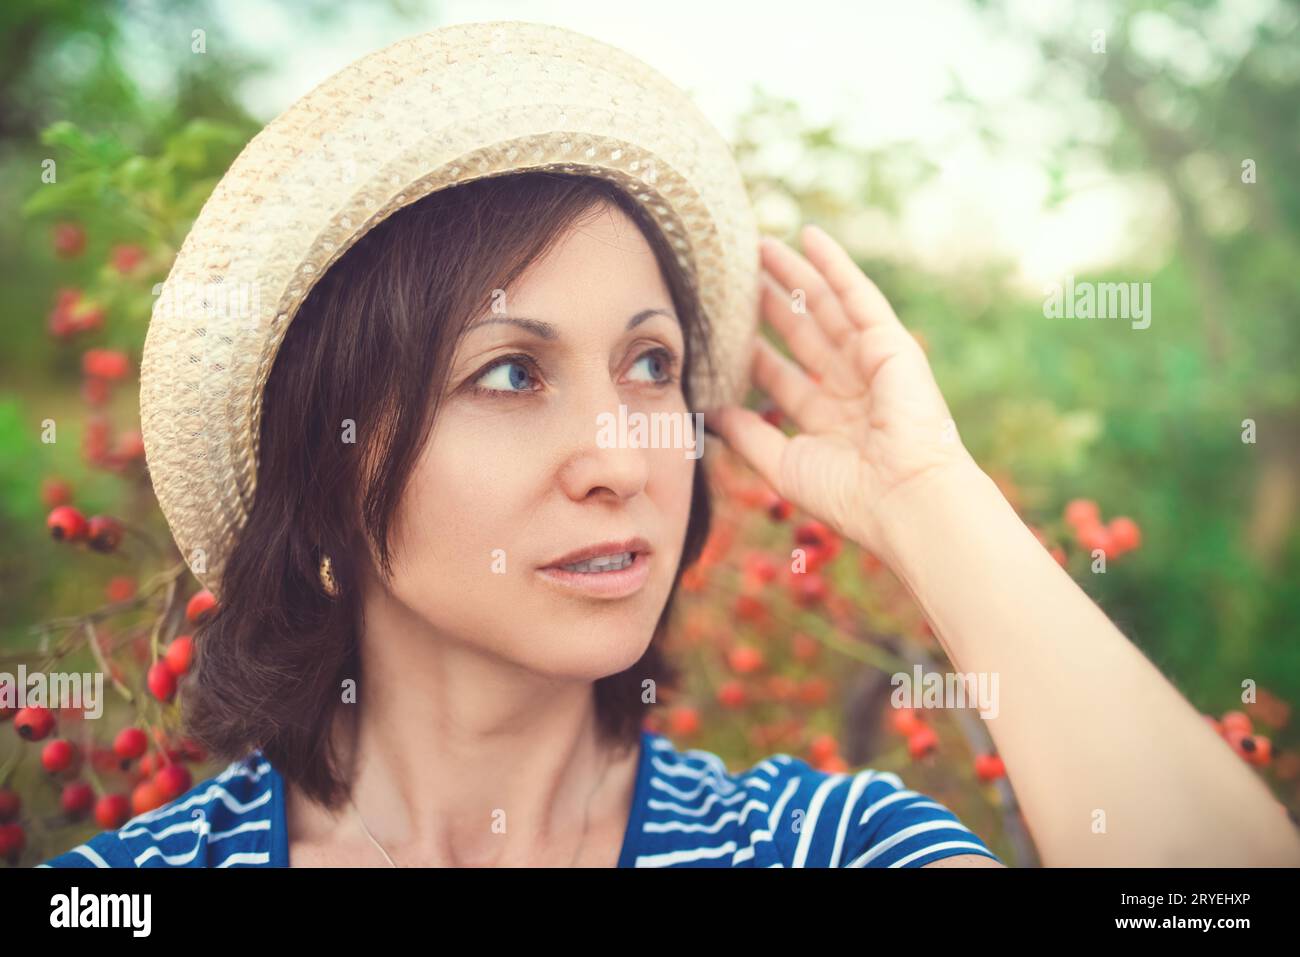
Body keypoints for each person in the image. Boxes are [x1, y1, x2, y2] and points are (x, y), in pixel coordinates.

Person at [39, 21, 1300, 869]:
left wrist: (932, 503)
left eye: (650, 366)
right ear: (326, 469)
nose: (624, 455)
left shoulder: (822, 847)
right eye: (513, 372)